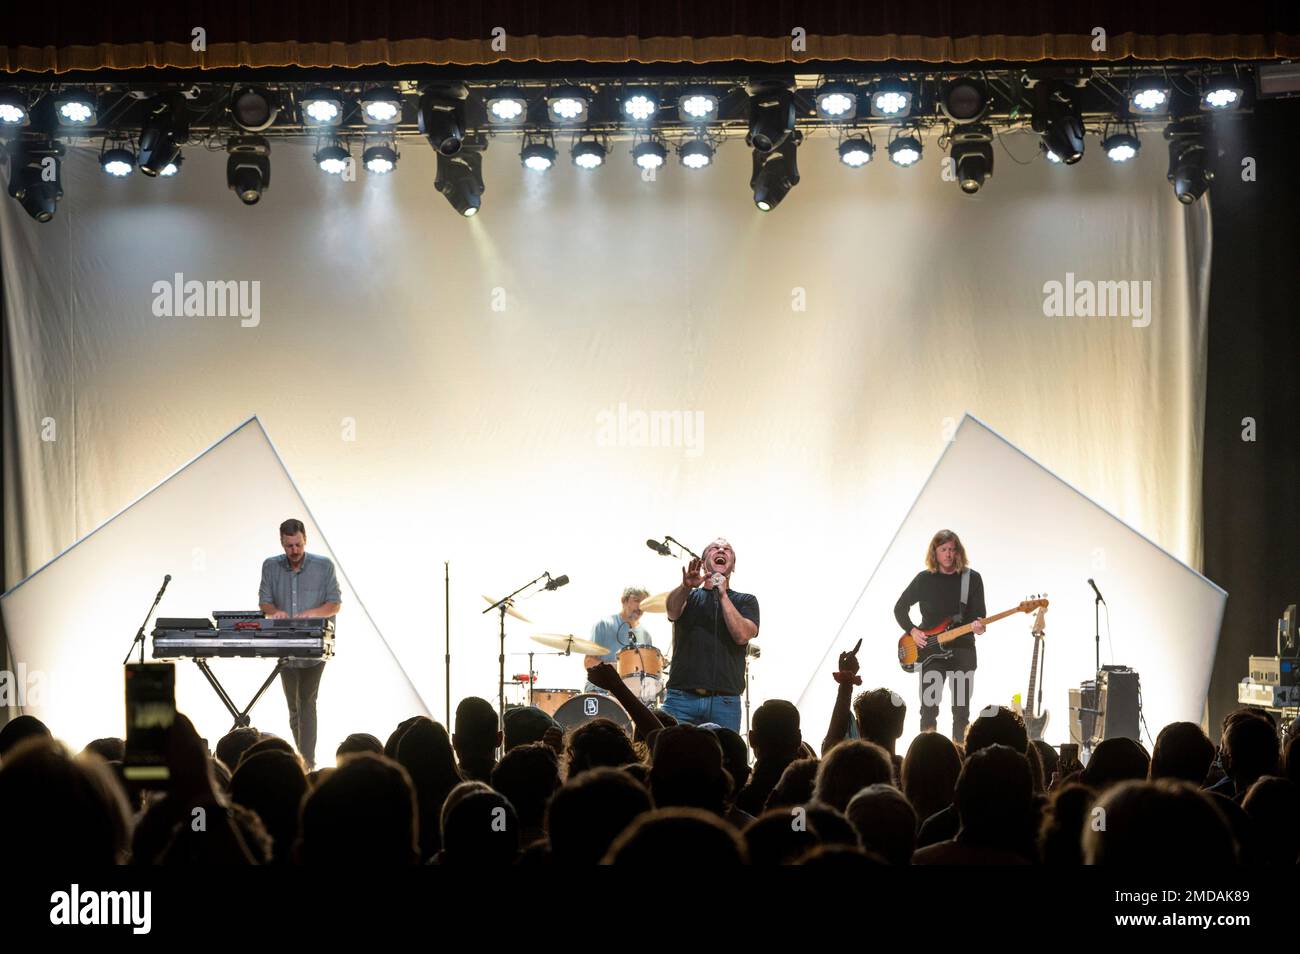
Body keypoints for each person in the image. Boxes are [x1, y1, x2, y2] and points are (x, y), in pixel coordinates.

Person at [257, 518, 341, 771]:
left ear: (305, 539)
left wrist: (312, 614)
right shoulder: (271, 566)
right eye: (288, 546)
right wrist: (275, 612)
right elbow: (264, 603)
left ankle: (308, 763)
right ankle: (302, 762)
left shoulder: (323, 566)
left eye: (298, 545)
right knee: (293, 706)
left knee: (307, 701)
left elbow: (334, 603)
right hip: (285, 646)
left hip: (315, 645)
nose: (294, 551)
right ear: (281, 542)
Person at [894, 529, 985, 743]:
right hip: (929, 651)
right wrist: (913, 630)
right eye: (944, 549)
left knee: (961, 711)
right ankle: (926, 757)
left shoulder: (972, 579)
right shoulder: (924, 579)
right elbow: (900, 608)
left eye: (953, 549)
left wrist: (979, 627)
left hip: (963, 649)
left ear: (959, 552)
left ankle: (960, 755)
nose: (949, 554)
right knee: (928, 708)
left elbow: (979, 616)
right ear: (934, 552)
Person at [660, 538, 759, 733]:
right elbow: (672, 611)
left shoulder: (745, 600)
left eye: (727, 549)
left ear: (733, 565)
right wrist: (686, 586)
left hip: (725, 700)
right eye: (715, 548)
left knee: (724, 759)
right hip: (681, 698)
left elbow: (741, 636)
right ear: (704, 561)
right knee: (671, 756)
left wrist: (722, 595)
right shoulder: (688, 596)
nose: (721, 550)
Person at [582, 587, 655, 694]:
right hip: (601, 689)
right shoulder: (604, 625)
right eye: (637, 600)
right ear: (623, 600)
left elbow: (647, 672)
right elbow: (588, 662)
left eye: (644, 602)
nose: (641, 606)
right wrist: (617, 668)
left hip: (631, 693)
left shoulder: (646, 635)